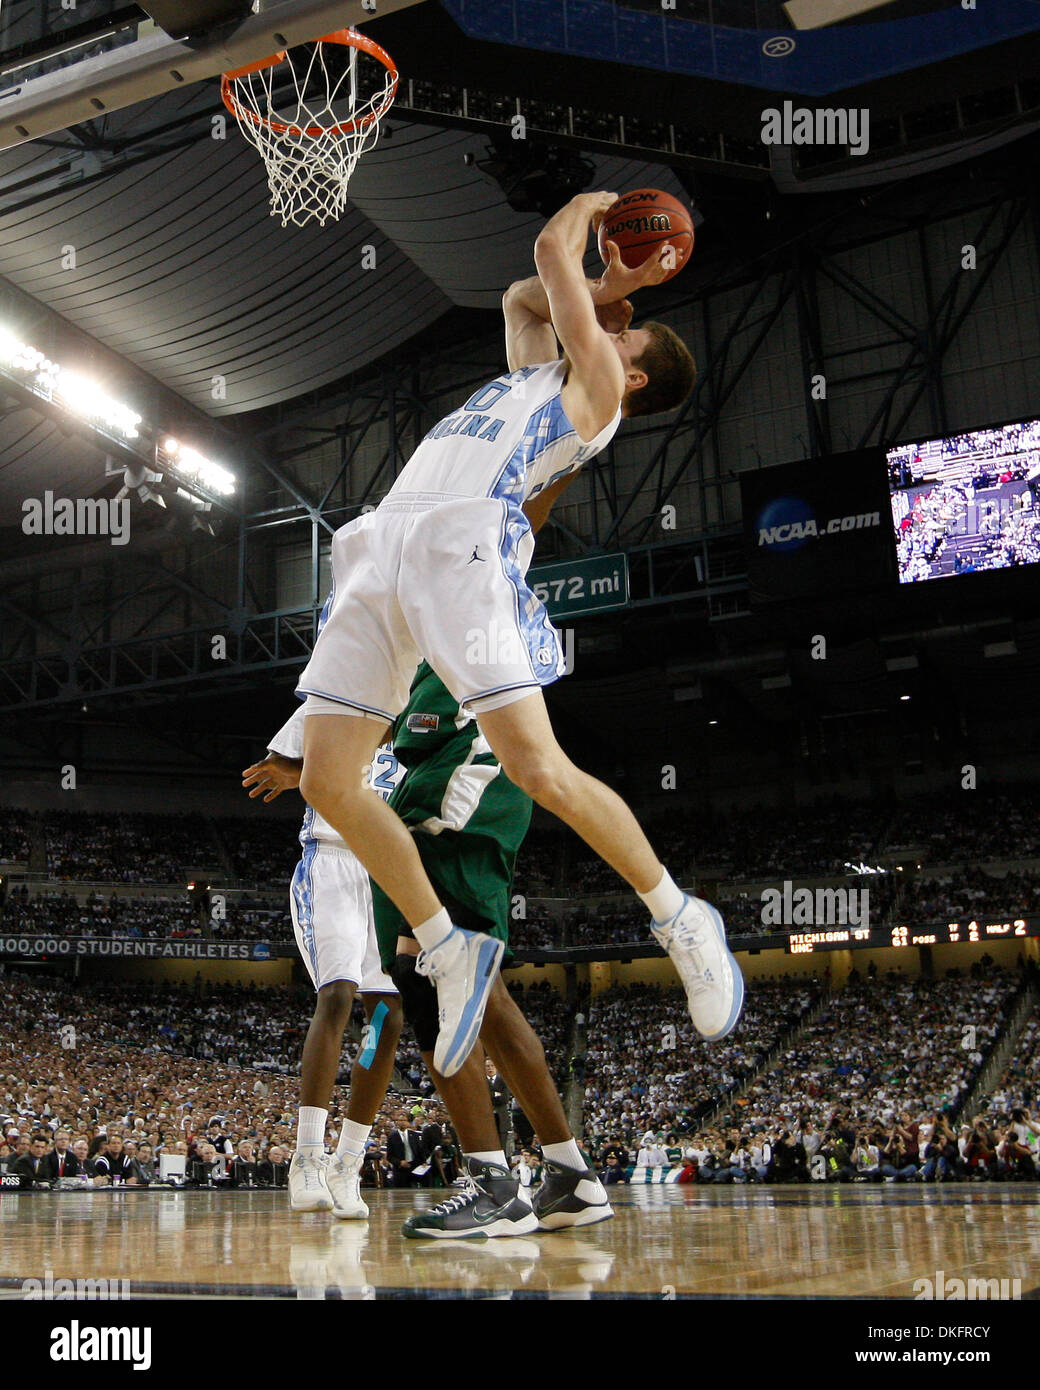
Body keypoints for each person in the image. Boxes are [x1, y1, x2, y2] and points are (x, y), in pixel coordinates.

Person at [293, 189, 742, 1090]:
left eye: (630, 335)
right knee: (327, 780)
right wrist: (613, 279)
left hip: (465, 543)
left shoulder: (599, 392)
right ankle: (447, 946)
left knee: (539, 770)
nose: (615, 329)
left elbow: (546, 252)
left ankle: (679, 915)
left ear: (637, 375)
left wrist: (594, 207)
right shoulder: (538, 370)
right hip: (384, 540)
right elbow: (522, 300)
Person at [242, 723, 405, 1220]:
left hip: (390, 870)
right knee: (336, 996)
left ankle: (347, 1161)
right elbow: (281, 763)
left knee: (387, 1016)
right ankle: (307, 1155)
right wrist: (296, 773)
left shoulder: (425, 712)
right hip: (331, 862)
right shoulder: (334, 699)